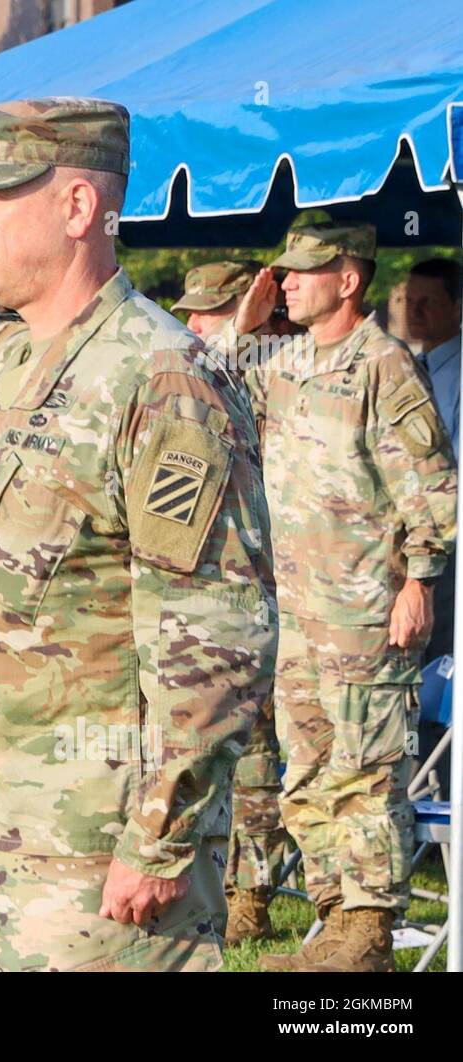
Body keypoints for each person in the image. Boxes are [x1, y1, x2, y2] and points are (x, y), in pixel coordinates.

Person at [0, 97, 277, 971]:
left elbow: (213, 631)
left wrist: (160, 837)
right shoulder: (12, 357)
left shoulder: (162, 377)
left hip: (105, 847)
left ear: (79, 208)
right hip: (19, 828)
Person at [232, 222, 458, 972]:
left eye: (303, 270)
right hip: (295, 614)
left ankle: (368, 934)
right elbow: (213, 387)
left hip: (367, 609)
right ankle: (333, 924)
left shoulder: (382, 366)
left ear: (349, 278)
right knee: (307, 774)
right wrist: (245, 320)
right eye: (285, 272)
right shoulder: (286, 361)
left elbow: (430, 486)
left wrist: (420, 580)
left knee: (367, 773)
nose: (287, 281)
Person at [173, 259, 291, 944]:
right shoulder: (202, 371)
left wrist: (241, 333)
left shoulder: (283, 367)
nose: (191, 325)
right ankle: (213, 878)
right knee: (219, 745)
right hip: (217, 593)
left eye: (207, 313)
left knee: (262, 758)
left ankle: (254, 894)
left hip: (282, 591)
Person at [406, 257, 461, 665]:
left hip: (445, 536)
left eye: (428, 301)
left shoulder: (458, 373)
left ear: (457, 308)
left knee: (440, 657)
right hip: (405, 536)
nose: (415, 310)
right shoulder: (407, 367)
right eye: (410, 299)